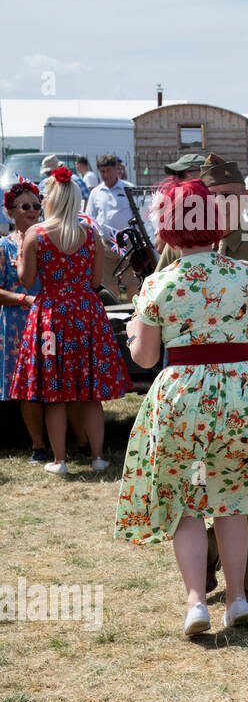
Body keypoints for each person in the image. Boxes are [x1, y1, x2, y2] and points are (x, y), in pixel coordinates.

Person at [115, 179, 248, 636]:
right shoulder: (247, 277)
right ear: (217, 225)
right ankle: (236, 599)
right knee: (232, 502)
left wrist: (135, 334)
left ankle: (197, 602)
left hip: (182, 397)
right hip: (241, 393)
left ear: (169, 229)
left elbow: (146, 359)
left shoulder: (159, 283)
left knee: (187, 505)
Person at [155, 154, 248, 609]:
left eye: (231, 197)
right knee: (194, 481)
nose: (221, 206)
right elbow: (157, 302)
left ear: (245, 198)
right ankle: (201, 578)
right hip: (193, 389)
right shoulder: (175, 247)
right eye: (213, 197)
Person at [9, 167, 132, 474]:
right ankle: (99, 457)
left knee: (55, 393)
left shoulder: (36, 235)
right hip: (85, 313)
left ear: (49, 200)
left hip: (51, 314)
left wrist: (24, 256)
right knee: (90, 392)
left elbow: (26, 281)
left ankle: (59, 460)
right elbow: (93, 281)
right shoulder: (90, 235)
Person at [1, 180, 49, 462]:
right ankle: (38, 445)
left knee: (52, 381)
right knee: (28, 388)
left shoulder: (47, 240)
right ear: (11, 212)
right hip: (17, 323)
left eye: (37, 205)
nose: (33, 210)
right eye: (26, 206)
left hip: (47, 320)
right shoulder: (3, 246)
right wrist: (23, 299)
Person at [84, 155, 135, 236]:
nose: (106, 175)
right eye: (102, 171)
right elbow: (90, 218)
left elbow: (139, 215)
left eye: (109, 170)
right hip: (104, 242)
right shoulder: (95, 193)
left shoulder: (129, 189)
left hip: (128, 241)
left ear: (116, 170)